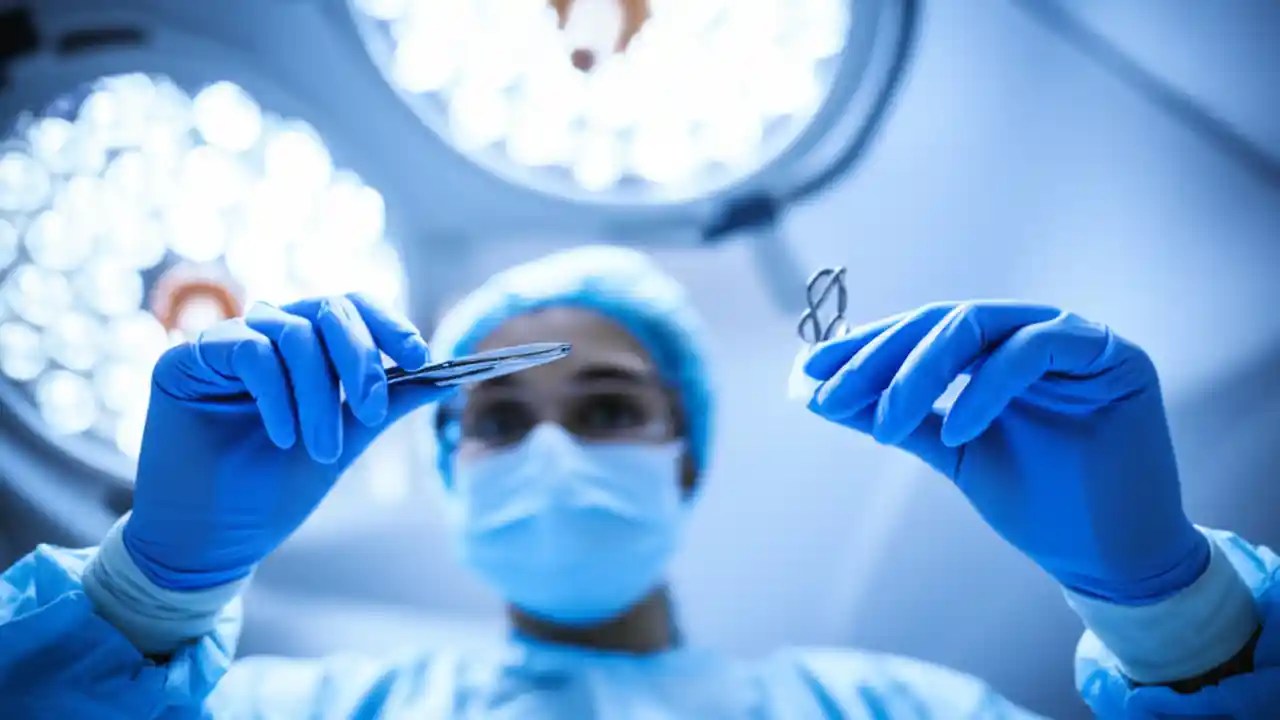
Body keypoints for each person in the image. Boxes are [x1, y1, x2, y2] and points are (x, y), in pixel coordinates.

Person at [0, 246, 1276, 718]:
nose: (553, 446)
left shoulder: (897, 708)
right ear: (444, 469)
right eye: (493, 416)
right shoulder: (294, 710)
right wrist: (148, 592)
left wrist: (1173, 614)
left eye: (607, 405)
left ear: (688, 452)